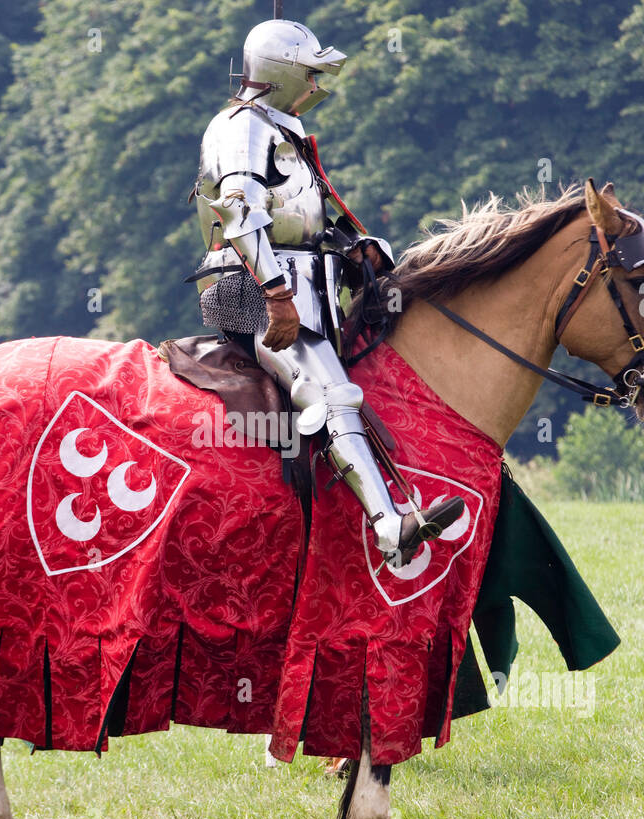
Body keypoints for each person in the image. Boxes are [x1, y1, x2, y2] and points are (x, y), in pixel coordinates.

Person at [190, 18, 466, 569]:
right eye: (311, 74)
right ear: (281, 72)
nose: (318, 86)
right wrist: (274, 294)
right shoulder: (240, 127)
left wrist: (358, 245)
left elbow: (312, 219)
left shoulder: (284, 133)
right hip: (256, 288)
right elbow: (242, 217)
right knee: (333, 393)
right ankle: (391, 526)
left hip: (308, 289)